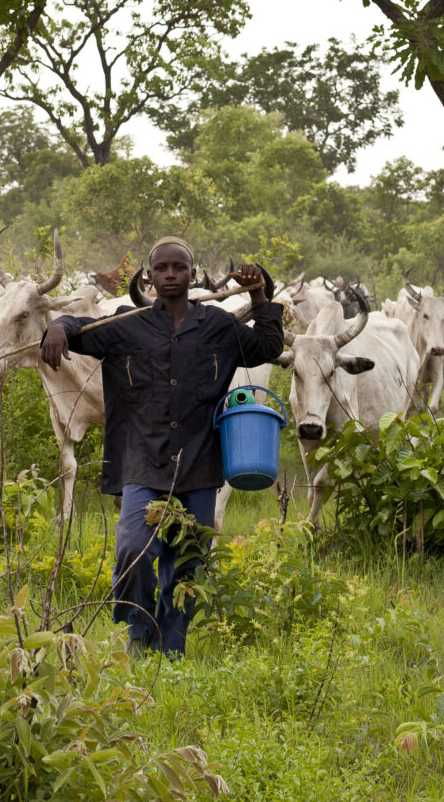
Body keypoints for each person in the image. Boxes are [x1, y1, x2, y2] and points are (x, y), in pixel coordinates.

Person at [40, 238, 285, 655]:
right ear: (149, 277)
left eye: (179, 268)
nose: (171, 275)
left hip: (199, 463)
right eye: (162, 269)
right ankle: (140, 628)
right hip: (141, 461)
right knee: (134, 549)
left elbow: (268, 346)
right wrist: (58, 329)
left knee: (187, 563)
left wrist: (259, 292)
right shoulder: (125, 323)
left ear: (193, 275)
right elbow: (77, 326)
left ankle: (172, 650)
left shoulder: (219, 327)